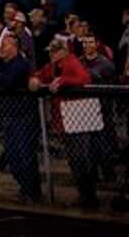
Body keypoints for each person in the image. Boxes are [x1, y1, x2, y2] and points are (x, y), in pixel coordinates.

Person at [32, 38, 98, 209]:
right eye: (50, 51)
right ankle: (84, 195)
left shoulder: (71, 61)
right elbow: (40, 74)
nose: (51, 54)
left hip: (78, 116)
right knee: (74, 160)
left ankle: (89, 198)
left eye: (55, 50)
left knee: (80, 159)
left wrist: (62, 80)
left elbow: (85, 78)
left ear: (64, 51)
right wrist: (35, 79)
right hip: (63, 118)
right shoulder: (53, 65)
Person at [0, 36, 41, 203]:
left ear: (14, 47)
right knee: (12, 159)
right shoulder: (1, 63)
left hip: (24, 116)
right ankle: (25, 187)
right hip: (8, 115)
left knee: (26, 155)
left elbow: (8, 83)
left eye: (5, 45)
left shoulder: (22, 64)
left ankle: (32, 192)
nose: (1, 48)